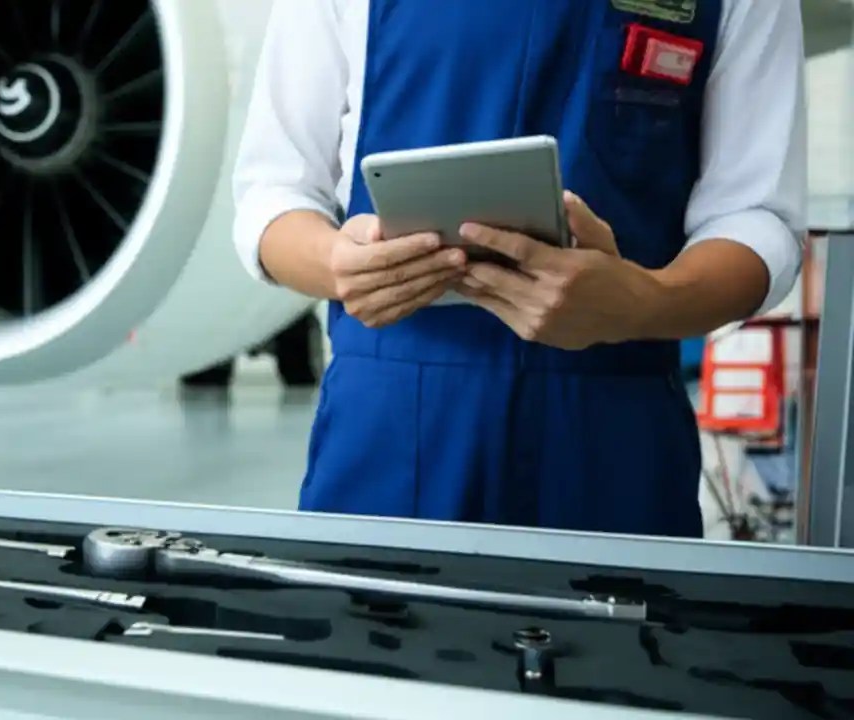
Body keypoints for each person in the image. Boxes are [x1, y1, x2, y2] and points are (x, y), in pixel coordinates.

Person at [231, 0, 807, 538]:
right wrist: (338, 265)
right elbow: (273, 193)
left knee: (621, 643)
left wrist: (645, 302)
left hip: (616, 429)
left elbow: (758, 219)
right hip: (391, 422)